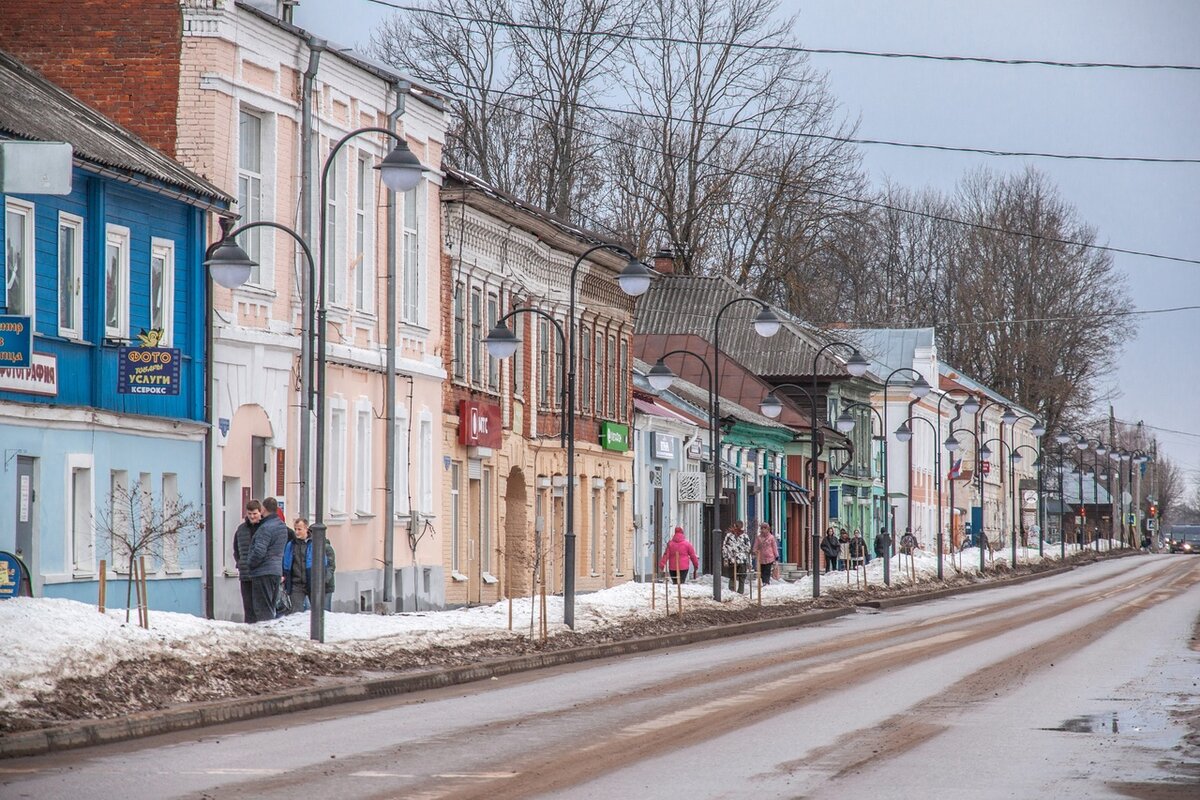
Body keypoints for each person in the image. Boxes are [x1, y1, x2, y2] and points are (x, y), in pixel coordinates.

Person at [246, 496, 289, 622]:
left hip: (263, 571)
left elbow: (259, 551)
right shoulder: (281, 526)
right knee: (270, 607)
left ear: (263, 509)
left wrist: (250, 564)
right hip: (276, 570)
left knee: (263, 609)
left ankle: (265, 635)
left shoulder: (265, 527)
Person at [232, 500, 263, 623]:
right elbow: (236, 549)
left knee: (260, 606)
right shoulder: (241, 529)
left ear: (260, 512)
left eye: (254, 513)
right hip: (245, 573)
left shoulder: (264, 528)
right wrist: (240, 563)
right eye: (250, 513)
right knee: (248, 606)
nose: (252, 516)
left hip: (260, 573)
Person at [722, 520, 750, 593]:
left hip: (742, 559)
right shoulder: (729, 535)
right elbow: (725, 547)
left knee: (742, 576)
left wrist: (740, 549)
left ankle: (741, 591)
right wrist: (725, 558)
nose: (736, 528)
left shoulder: (745, 536)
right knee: (732, 576)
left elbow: (748, 548)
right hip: (732, 559)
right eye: (736, 526)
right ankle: (731, 590)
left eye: (738, 526)